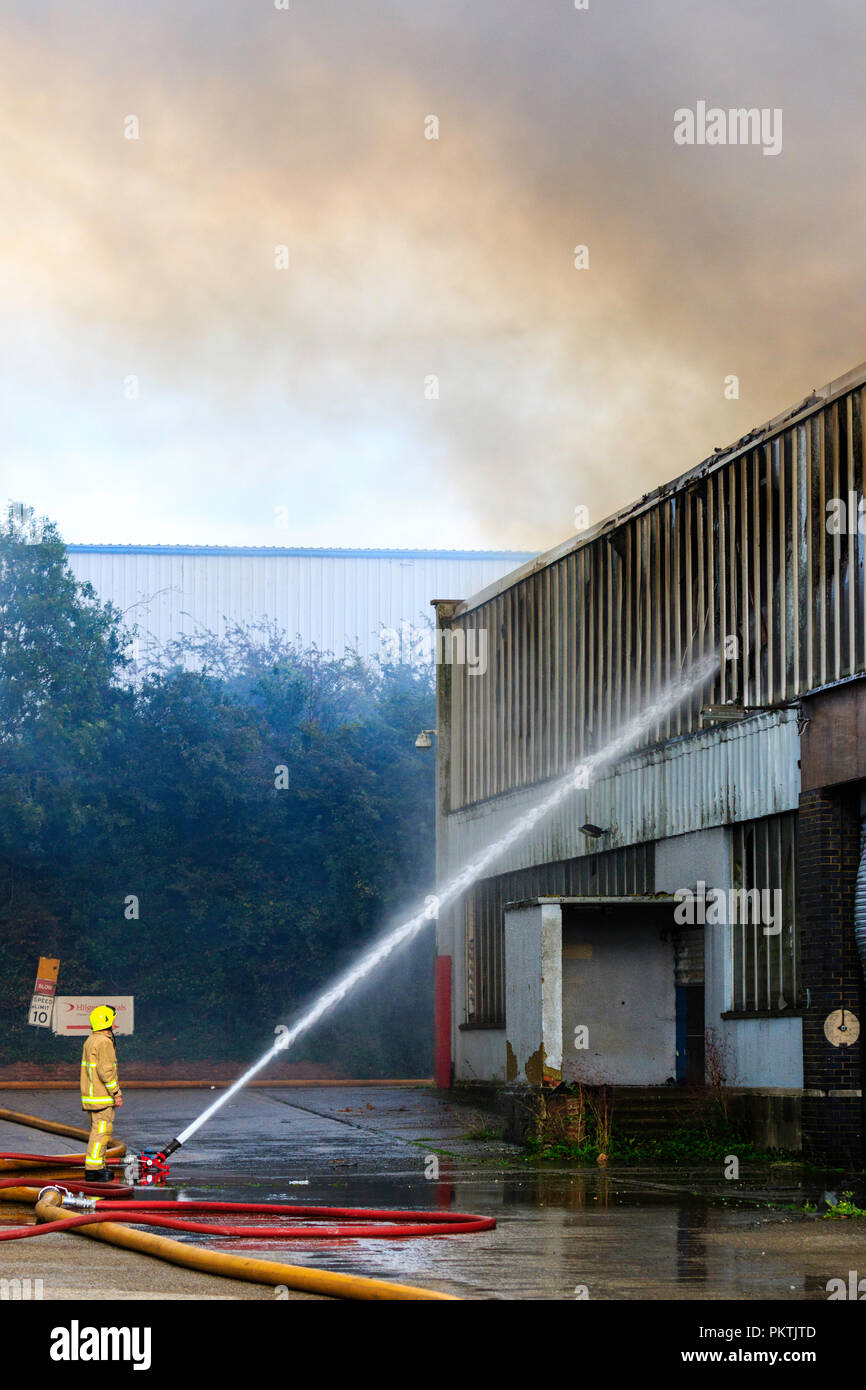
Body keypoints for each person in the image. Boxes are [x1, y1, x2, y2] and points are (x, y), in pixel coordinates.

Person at [79, 1004, 123, 1182]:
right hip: (102, 1097)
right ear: (106, 1022)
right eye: (112, 1021)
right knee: (101, 1133)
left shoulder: (91, 1040)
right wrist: (116, 1093)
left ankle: (97, 1165)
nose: (114, 1024)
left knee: (97, 1132)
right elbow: (106, 1072)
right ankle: (94, 1169)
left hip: (92, 1096)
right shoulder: (104, 1042)